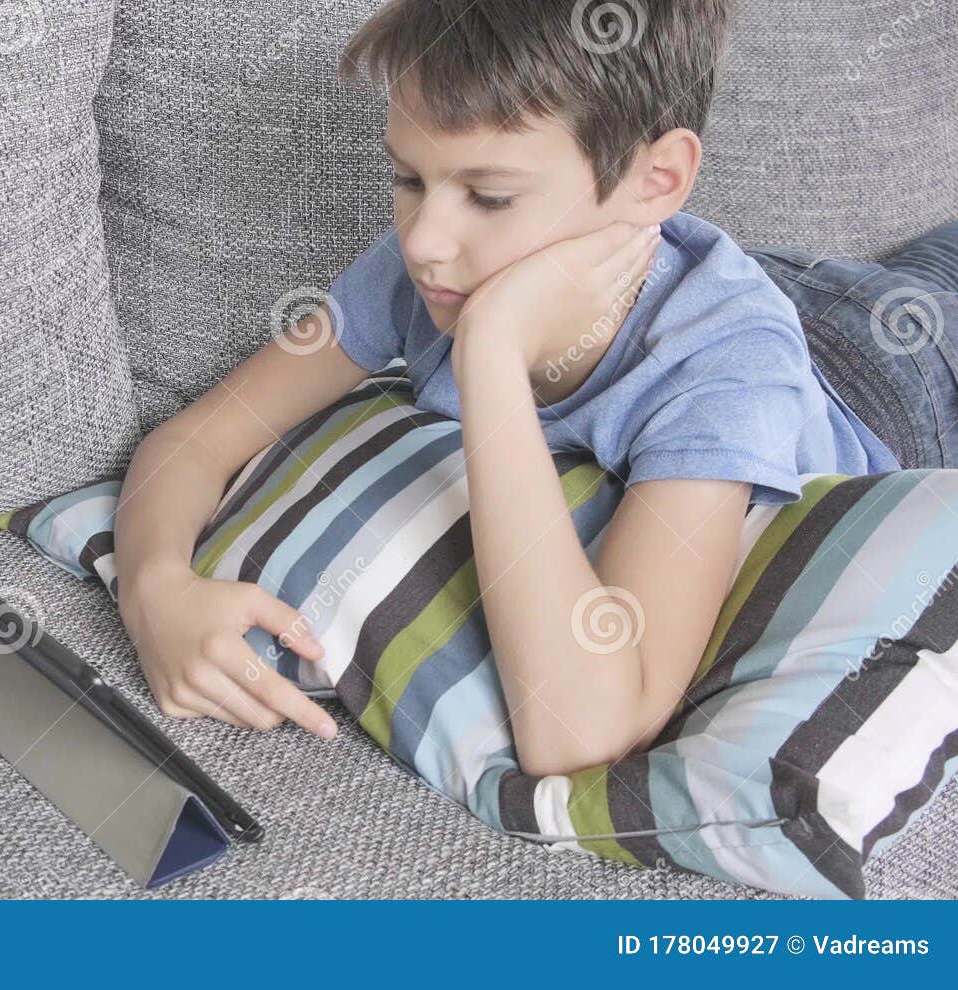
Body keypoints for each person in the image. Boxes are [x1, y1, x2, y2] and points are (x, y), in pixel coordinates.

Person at [111, 0, 958, 776]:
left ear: (655, 181)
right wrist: (157, 589)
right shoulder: (428, 268)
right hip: (779, 283)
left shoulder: (724, 369)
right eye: (409, 179)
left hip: (888, 367)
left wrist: (491, 357)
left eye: (488, 195)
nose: (426, 241)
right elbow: (199, 437)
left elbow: (583, 730)